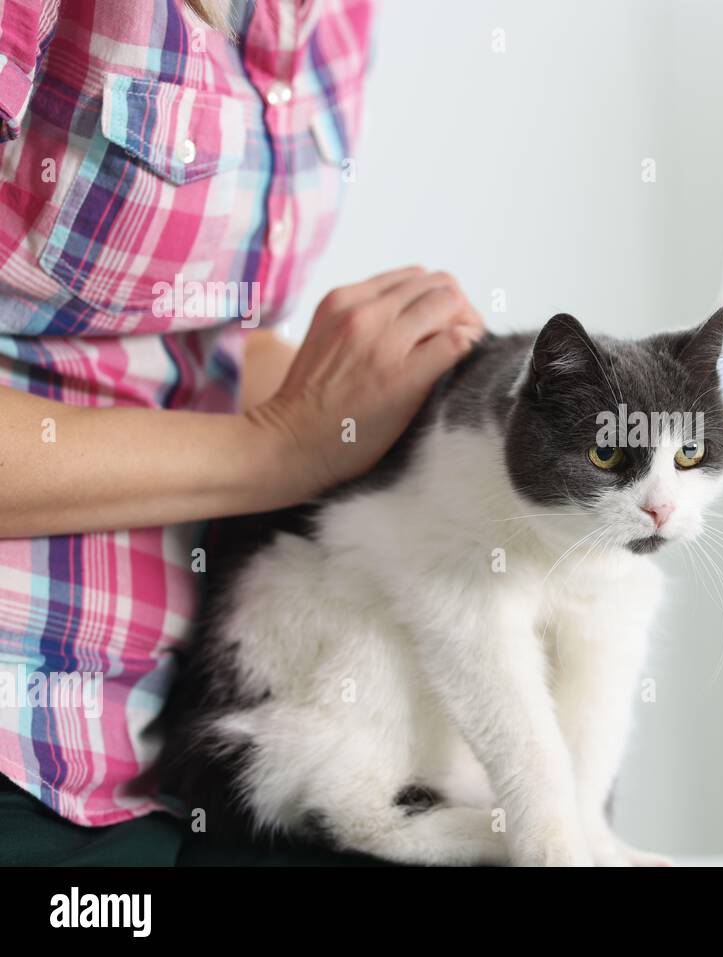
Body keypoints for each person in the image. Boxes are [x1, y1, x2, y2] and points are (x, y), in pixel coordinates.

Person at [0, 0, 483, 863]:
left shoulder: (335, 16)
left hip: (188, 738)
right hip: (25, 745)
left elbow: (200, 335)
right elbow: (279, 434)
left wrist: (408, 426)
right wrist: (283, 444)